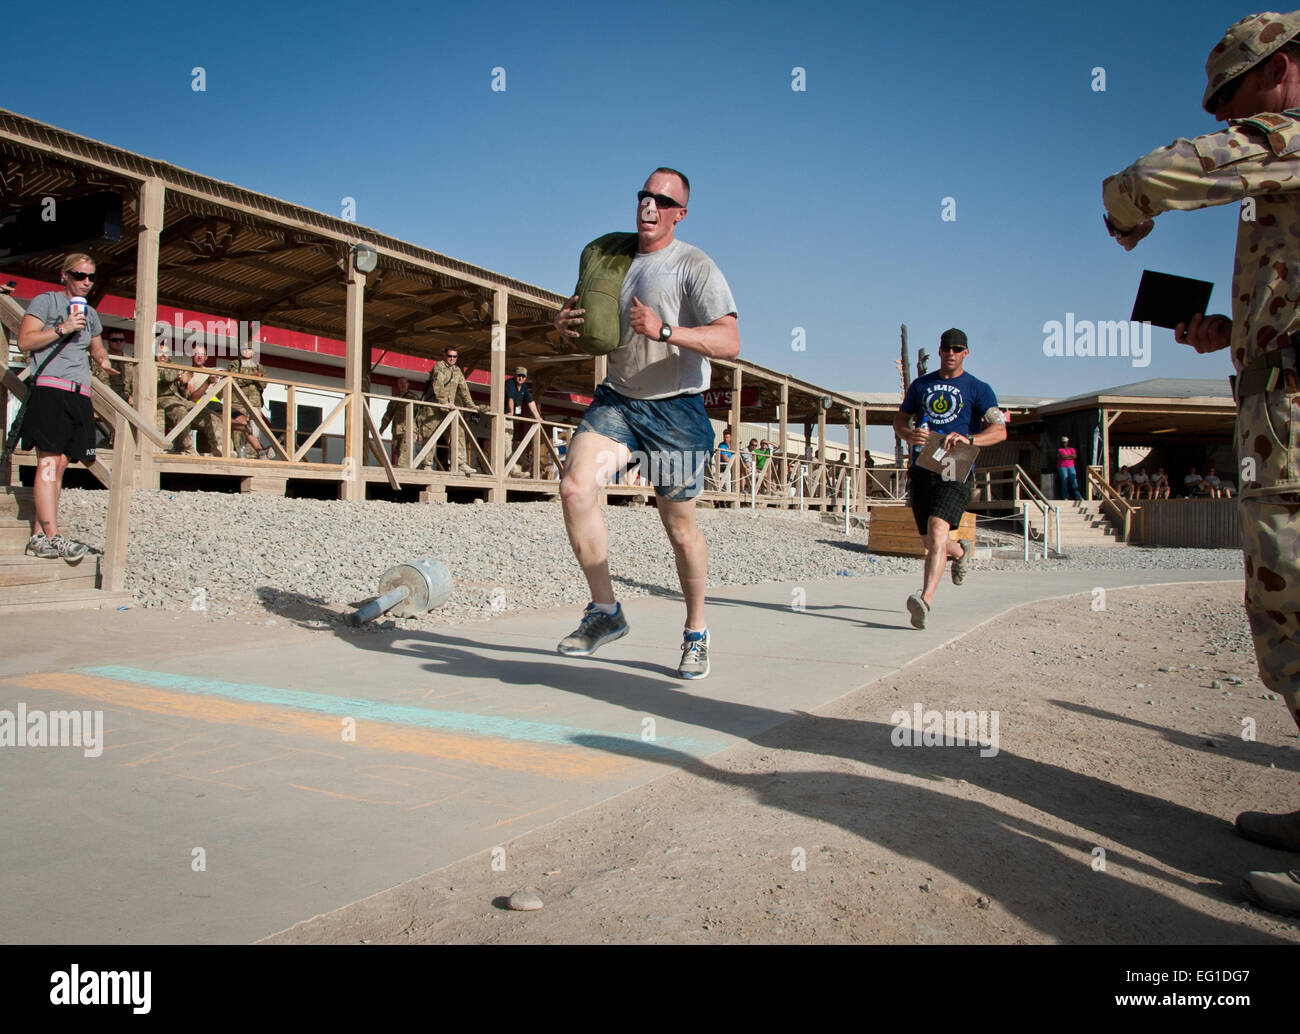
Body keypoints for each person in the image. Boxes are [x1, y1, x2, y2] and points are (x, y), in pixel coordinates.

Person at [1102, 9, 1300, 918]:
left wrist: (1124, 208)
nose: (1227, 117)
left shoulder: (1289, 140)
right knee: (1281, 617)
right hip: (1274, 410)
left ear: (1286, 69)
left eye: (1235, 94)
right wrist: (1232, 334)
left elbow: (1159, 175)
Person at [553, 167, 739, 679]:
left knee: (679, 530)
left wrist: (665, 329)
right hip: (618, 398)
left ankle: (696, 631)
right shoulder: (612, 260)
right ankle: (606, 612)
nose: (649, 206)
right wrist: (562, 326)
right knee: (574, 488)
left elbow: (729, 342)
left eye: (662, 199)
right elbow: (589, 323)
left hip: (675, 410)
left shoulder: (693, 266)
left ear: (679, 213)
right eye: (643, 196)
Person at [892, 327, 1005, 629]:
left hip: (956, 466)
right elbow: (900, 420)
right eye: (946, 349)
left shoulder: (979, 388)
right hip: (922, 466)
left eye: (957, 349)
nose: (951, 354)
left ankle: (924, 600)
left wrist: (970, 438)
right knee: (931, 539)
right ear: (939, 351)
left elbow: (999, 430)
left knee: (937, 529)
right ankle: (961, 550)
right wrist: (907, 433)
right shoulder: (921, 386)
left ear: (966, 352)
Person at [14, 253, 115, 559]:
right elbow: (24, 342)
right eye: (79, 275)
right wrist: (63, 327)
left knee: (59, 464)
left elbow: (96, 347)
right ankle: (53, 534)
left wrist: (103, 359)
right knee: (47, 462)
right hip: (51, 389)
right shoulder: (46, 302)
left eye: (91, 277)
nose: (85, 281)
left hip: (79, 392)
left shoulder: (92, 315)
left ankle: (39, 534)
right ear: (64, 275)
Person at [423, 346, 483, 474]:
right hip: (434, 407)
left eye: (454, 356)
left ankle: (460, 463)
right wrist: (445, 403)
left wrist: (472, 406)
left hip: (449, 408)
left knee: (458, 432)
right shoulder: (439, 367)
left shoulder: (457, 371)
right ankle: (427, 465)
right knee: (431, 434)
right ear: (445, 356)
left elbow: (464, 390)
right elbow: (438, 386)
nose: (452, 359)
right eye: (449, 356)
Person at [227, 339, 270, 459]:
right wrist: (252, 377)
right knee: (236, 429)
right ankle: (234, 454)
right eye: (244, 349)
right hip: (237, 402)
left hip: (254, 404)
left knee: (253, 431)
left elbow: (264, 384)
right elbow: (234, 380)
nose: (246, 351)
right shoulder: (235, 364)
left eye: (249, 349)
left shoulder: (259, 367)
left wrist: (258, 379)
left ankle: (252, 456)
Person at [155, 339, 194, 454]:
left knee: (204, 412)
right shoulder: (151, 364)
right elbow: (167, 376)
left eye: (166, 352)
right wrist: (178, 374)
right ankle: (188, 448)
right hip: (159, 398)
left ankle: (223, 450)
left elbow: (185, 394)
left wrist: (184, 383)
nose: (163, 355)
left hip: (178, 399)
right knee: (180, 411)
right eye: (160, 352)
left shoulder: (174, 365)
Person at [184, 342, 223, 456]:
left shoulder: (212, 371)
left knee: (243, 421)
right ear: (191, 355)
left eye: (202, 354)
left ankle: (259, 451)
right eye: (197, 353)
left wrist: (221, 383)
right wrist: (207, 382)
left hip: (216, 404)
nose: (199, 356)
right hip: (199, 406)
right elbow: (193, 399)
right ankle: (221, 451)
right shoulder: (188, 373)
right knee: (220, 417)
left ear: (206, 357)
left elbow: (219, 395)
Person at [505, 365, 541, 477]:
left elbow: (530, 402)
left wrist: (537, 417)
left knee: (509, 443)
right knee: (506, 443)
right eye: (519, 375)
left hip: (511, 419)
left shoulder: (524, 387)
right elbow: (510, 398)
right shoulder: (510, 383)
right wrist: (511, 411)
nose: (520, 378)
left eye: (523, 376)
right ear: (515, 376)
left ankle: (511, 471)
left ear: (525, 378)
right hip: (505, 416)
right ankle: (513, 471)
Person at [379, 376, 421, 468]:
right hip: (397, 429)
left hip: (409, 428)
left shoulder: (413, 397)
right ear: (398, 385)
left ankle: (401, 469)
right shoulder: (395, 398)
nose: (402, 385)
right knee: (397, 450)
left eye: (404, 383)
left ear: (408, 384)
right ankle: (401, 468)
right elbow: (389, 413)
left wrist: (419, 430)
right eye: (400, 383)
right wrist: (382, 427)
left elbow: (419, 413)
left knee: (405, 449)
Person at [1055, 435, 1082, 500]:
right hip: (1062, 467)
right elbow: (1062, 457)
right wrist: (1070, 456)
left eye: (1065, 442)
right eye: (1063, 442)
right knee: (1064, 480)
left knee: (1074, 480)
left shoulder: (1072, 449)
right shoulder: (1059, 449)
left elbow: (1075, 456)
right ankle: (1065, 496)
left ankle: (1078, 496)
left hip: (1071, 466)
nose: (1064, 443)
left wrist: (1065, 456)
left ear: (1067, 442)